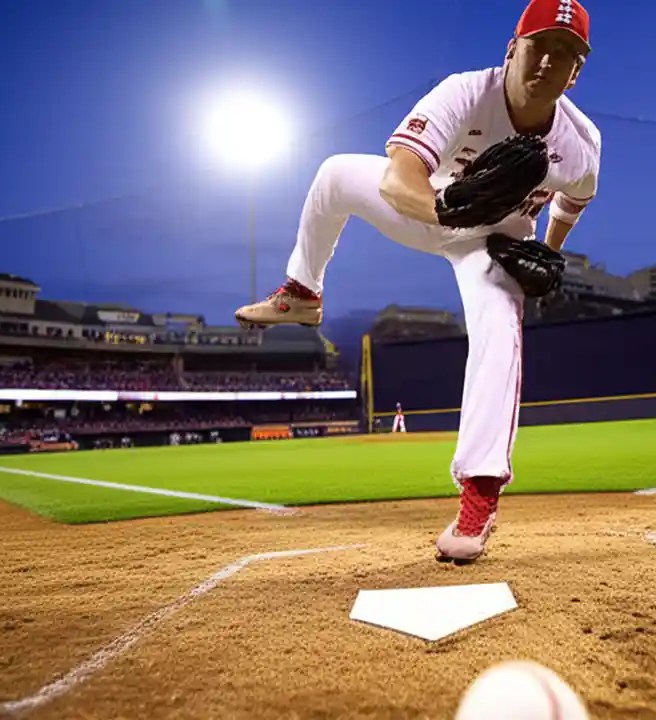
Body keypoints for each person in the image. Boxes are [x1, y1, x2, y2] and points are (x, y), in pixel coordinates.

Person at [233, 0, 600, 564]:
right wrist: (442, 207)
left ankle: (478, 498)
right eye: (541, 46)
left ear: (578, 71)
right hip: (431, 210)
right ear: (511, 49)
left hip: (492, 243)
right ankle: (303, 293)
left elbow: (577, 197)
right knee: (334, 174)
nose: (552, 62)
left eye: (568, 54)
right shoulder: (465, 92)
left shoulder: (580, 142)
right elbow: (398, 175)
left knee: (500, 333)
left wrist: (547, 251)